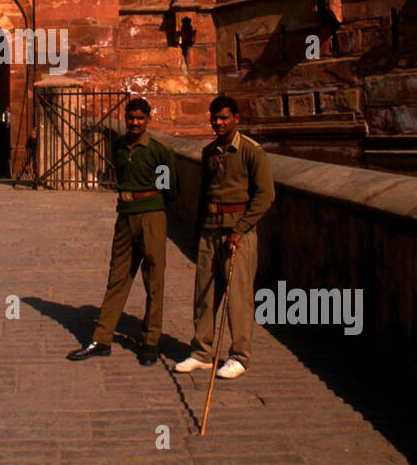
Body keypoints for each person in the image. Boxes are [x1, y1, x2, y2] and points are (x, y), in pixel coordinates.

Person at [68, 97, 177, 366]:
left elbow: (170, 190)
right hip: (125, 216)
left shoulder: (159, 150)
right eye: (131, 118)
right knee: (117, 278)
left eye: (140, 118)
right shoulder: (118, 146)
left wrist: (152, 208)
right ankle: (102, 338)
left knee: (154, 280)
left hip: (151, 215)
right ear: (126, 118)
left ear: (148, 120)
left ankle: (150, 341)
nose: (135, 123)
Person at [174, 95, 275, 379]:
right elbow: (202, 196)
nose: (218, 123)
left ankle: (239, 356)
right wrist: (197, 236)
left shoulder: (251, 152)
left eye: (224, 118)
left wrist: (240, 230)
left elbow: (265, 195)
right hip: (209, 229)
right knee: (204, 294)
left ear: (236, 119)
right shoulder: (208, 153)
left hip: (238, 233)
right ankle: (202, 353)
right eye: (214, 118)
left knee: (238, 296)